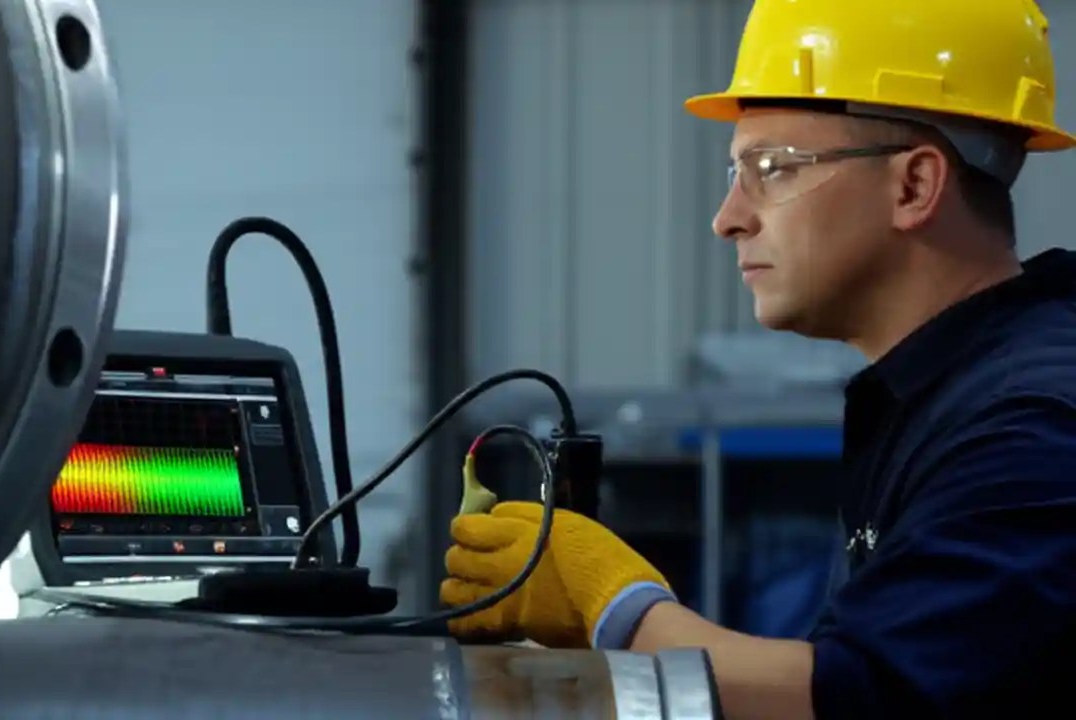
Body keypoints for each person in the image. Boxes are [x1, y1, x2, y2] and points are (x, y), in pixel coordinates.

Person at [439, 1, 1076, 718]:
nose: (728, 217)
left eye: (772, 168)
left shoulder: (1032, 430)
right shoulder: (948, 392)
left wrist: (613, 604)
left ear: (914, 187)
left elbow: (859, 698)